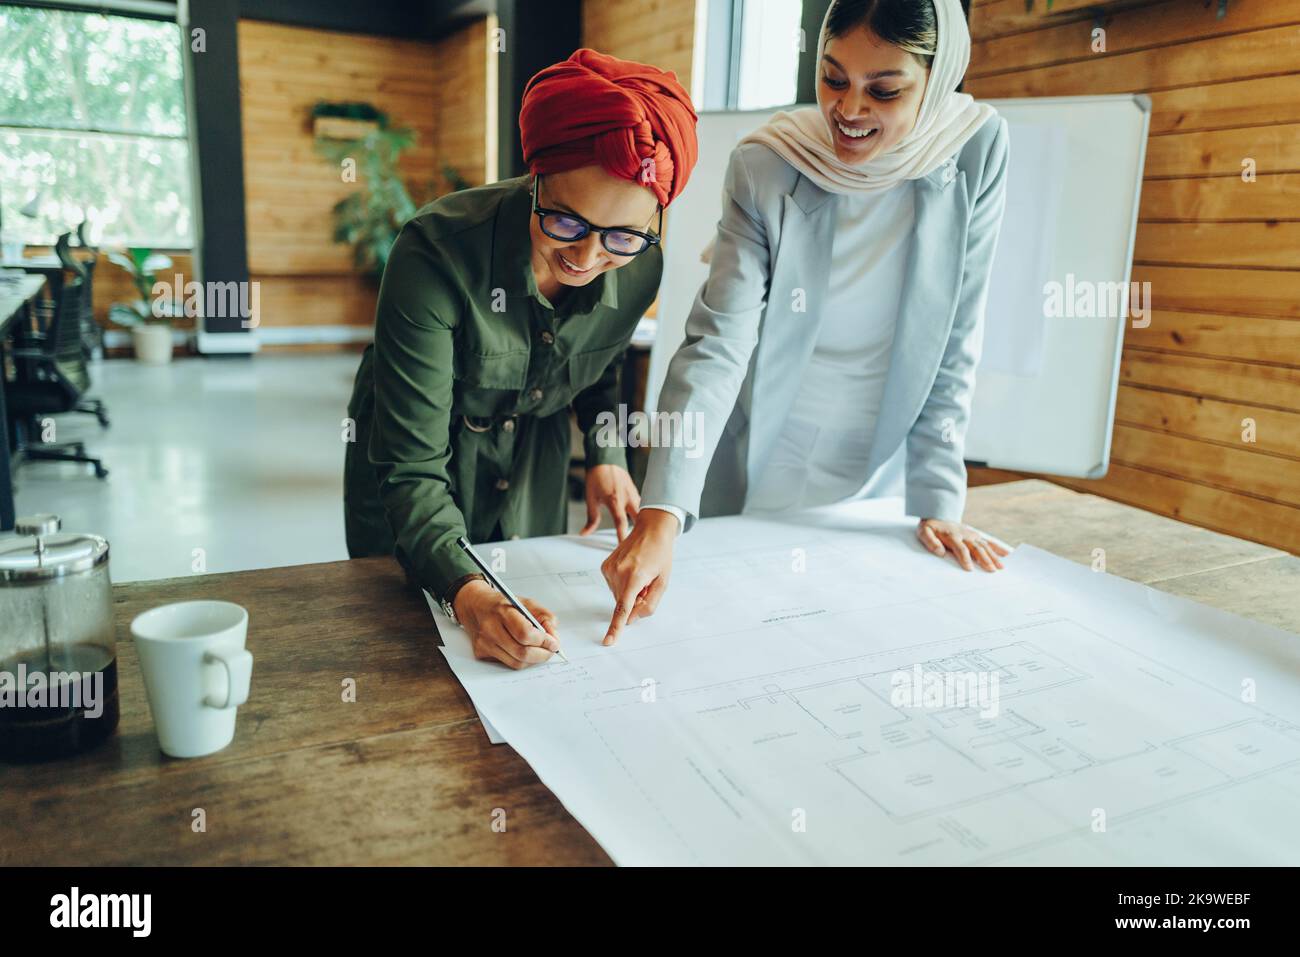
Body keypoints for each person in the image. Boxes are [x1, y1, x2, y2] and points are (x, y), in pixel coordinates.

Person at [600, 0, 1011, 646]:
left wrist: (938, 498)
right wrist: (662, 511)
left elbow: (958, 330)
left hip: (883, 456)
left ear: (937, 82)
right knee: (746, 631)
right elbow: (717, 341)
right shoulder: (768, 165)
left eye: (885, 90)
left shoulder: (976, 150)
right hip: (772, 439)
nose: (848, 110)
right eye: (833, 77)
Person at [344, 49, 698, 668]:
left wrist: (605, 454)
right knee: (409, 657)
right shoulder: (435, 255)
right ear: (536, 179)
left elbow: (602, 362)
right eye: (564, 221)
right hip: (420, 471)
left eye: (621, 237)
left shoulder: (644, 263)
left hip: (533, 458)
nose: (587, 259)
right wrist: (471, 595)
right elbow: (413, 469)